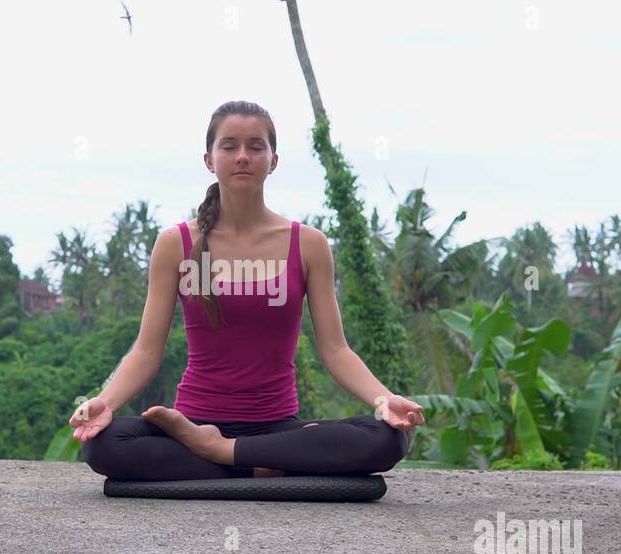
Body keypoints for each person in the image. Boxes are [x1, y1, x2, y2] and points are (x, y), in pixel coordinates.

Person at [71, 100, 425, 481]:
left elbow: (336, 350)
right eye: (230, 146)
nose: (243, 156)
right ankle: (264, 464)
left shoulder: (307, 244)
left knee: (388, 438)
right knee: (104, 444)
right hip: (190, 423)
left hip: (276, 427)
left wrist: (384, 400)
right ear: (209, 159)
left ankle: (221, 453)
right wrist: (105, 403)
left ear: (273, 160)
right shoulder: (177, 243)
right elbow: (146, 350)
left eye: (256, 146)